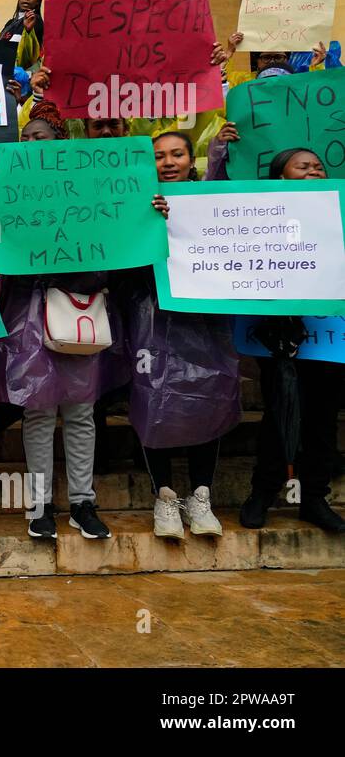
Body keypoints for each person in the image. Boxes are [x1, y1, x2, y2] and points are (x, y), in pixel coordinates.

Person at [0, 112, 128, 541]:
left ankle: (83, 503)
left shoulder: (88, 186)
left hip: (80, 307)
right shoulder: (4, 191)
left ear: (60, 142)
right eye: (24, 136)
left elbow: (118, 233)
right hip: (29, 313)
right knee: (39, 410)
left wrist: (149, 210)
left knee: (81, 411)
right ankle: (40, 505)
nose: (30, 142)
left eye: (40, 136)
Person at [125, 132, 239, 539]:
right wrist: (145, 221)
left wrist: (222, 153)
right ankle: (166, 498)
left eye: (177, 154)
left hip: (205, 324)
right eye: (159, 156)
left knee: (208, 399)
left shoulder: (208, 203)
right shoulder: (132, 202)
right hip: (150, 319)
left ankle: (201, 496)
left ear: (192, 161)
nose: (168, 162)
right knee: (152, 398)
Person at [239, 147, 344, 533]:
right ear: (281, 178)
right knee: (279, 414)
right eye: (303, 166)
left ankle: (314, 498)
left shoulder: (340, 212)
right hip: (277, 335)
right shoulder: (260, 215)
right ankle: (261, 494)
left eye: (318, 166)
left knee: (322, 417)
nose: (314, 170)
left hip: (329, 333)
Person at [0, 0, 45, 69]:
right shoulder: (10, 22)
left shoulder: (35, 20)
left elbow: (30, 51)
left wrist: (28, 31)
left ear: (38, 2)